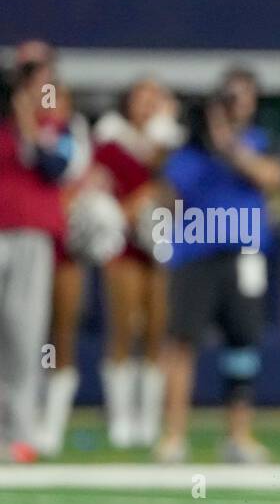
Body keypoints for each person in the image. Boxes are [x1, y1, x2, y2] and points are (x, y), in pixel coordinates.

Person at [37, 78, 186, 455]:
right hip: (120, 243)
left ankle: (147, 420)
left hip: (157, 240)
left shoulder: (166, 143)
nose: (149, 106)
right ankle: (119, 418)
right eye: (142, 98)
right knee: (124, 326)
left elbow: (172, 188)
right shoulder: (109, 141)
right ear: (127, 102)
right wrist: (135, 203)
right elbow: (99, 190)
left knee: (155, 327)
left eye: (156, 99)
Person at [156, 68, 280, 463]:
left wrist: (229, 146)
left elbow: (270, 177)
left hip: (243, 256)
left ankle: (237, 435)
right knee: (181, 343)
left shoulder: (261, 141)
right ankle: (174, 436)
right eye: (229, 97)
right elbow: (169, 194)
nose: (237, 104)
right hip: (196, 256)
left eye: (243, 96)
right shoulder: (190, 149)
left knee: (243, 345)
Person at [0, 41, 89, 463]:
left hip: (31, 236)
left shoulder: (62, 124)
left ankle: (19, 432)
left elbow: (55, 167)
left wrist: (27, 123)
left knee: (24, 336)